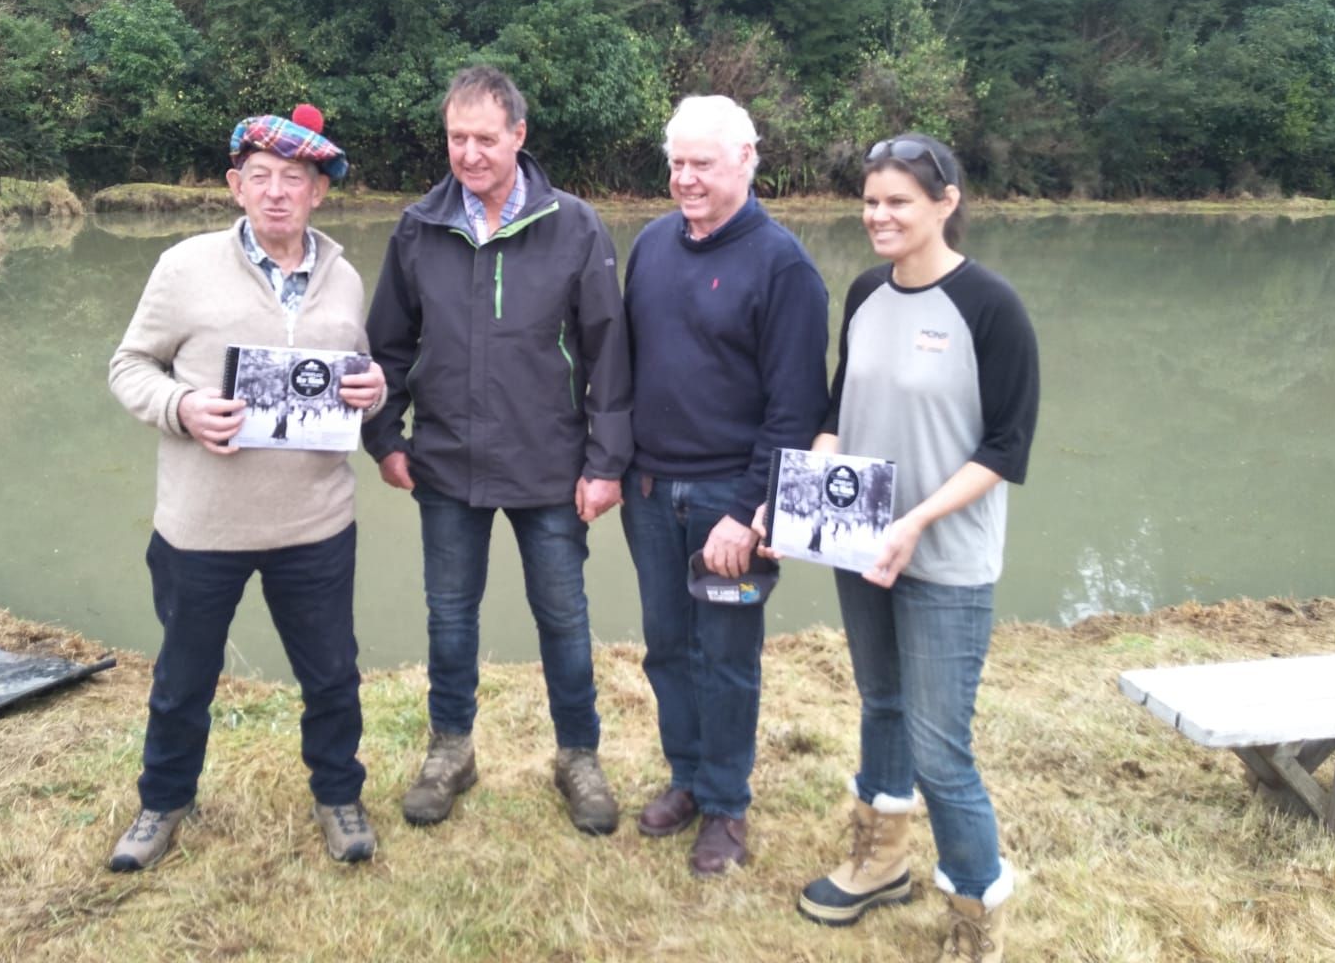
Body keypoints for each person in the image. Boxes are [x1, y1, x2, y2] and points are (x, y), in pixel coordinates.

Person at [772, 133, 1038, 962]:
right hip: (863, 546)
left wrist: (915, 522)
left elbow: (1006, 447)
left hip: (944, 559)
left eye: (898, 202)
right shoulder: (864, 292)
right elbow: (838, 408)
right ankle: (880, 863)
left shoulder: (990, 307)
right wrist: (812, 480)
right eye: (870, 201)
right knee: (881, 705)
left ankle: (976, 912)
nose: (879, 216)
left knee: (940, 749)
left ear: (945, 204)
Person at [106, 109, 387, 870]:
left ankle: (339, 795)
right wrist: (182, 407)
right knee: (182, 680)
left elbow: (359, 378)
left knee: (333, 677)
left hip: (317, 524)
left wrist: (376, 391)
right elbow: (129, 366)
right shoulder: (183, 267)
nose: (276, 192)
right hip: (202, 527)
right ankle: (163, 803)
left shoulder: (344, 277)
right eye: (259, 177)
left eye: (293, 178)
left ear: (318, 191)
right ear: (236, 186)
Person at [362, 65, 632, 835]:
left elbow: (609, 352)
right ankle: (451, 749)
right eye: (457, 138)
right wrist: (384, 438)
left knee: (564, 618)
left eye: (485, 138)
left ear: (519, 135)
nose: (470, 154)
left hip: (552, 466)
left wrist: (607, 462)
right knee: (450, 617)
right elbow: (387, 345)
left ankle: (578, 754)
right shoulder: (418, 227)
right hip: (446, 462)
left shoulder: (575, 225)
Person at [620, 95, 830, 876]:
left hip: (728, 503)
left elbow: (795, 408)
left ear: (746, 158)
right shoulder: (650, 245)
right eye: (676, 162)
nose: (685, 178)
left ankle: (725, 804)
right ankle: (685, 777)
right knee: (667, 648)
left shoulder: (784, 266)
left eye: (702, 163)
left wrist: (747, 513)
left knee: (727, 658)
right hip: (650, 493)